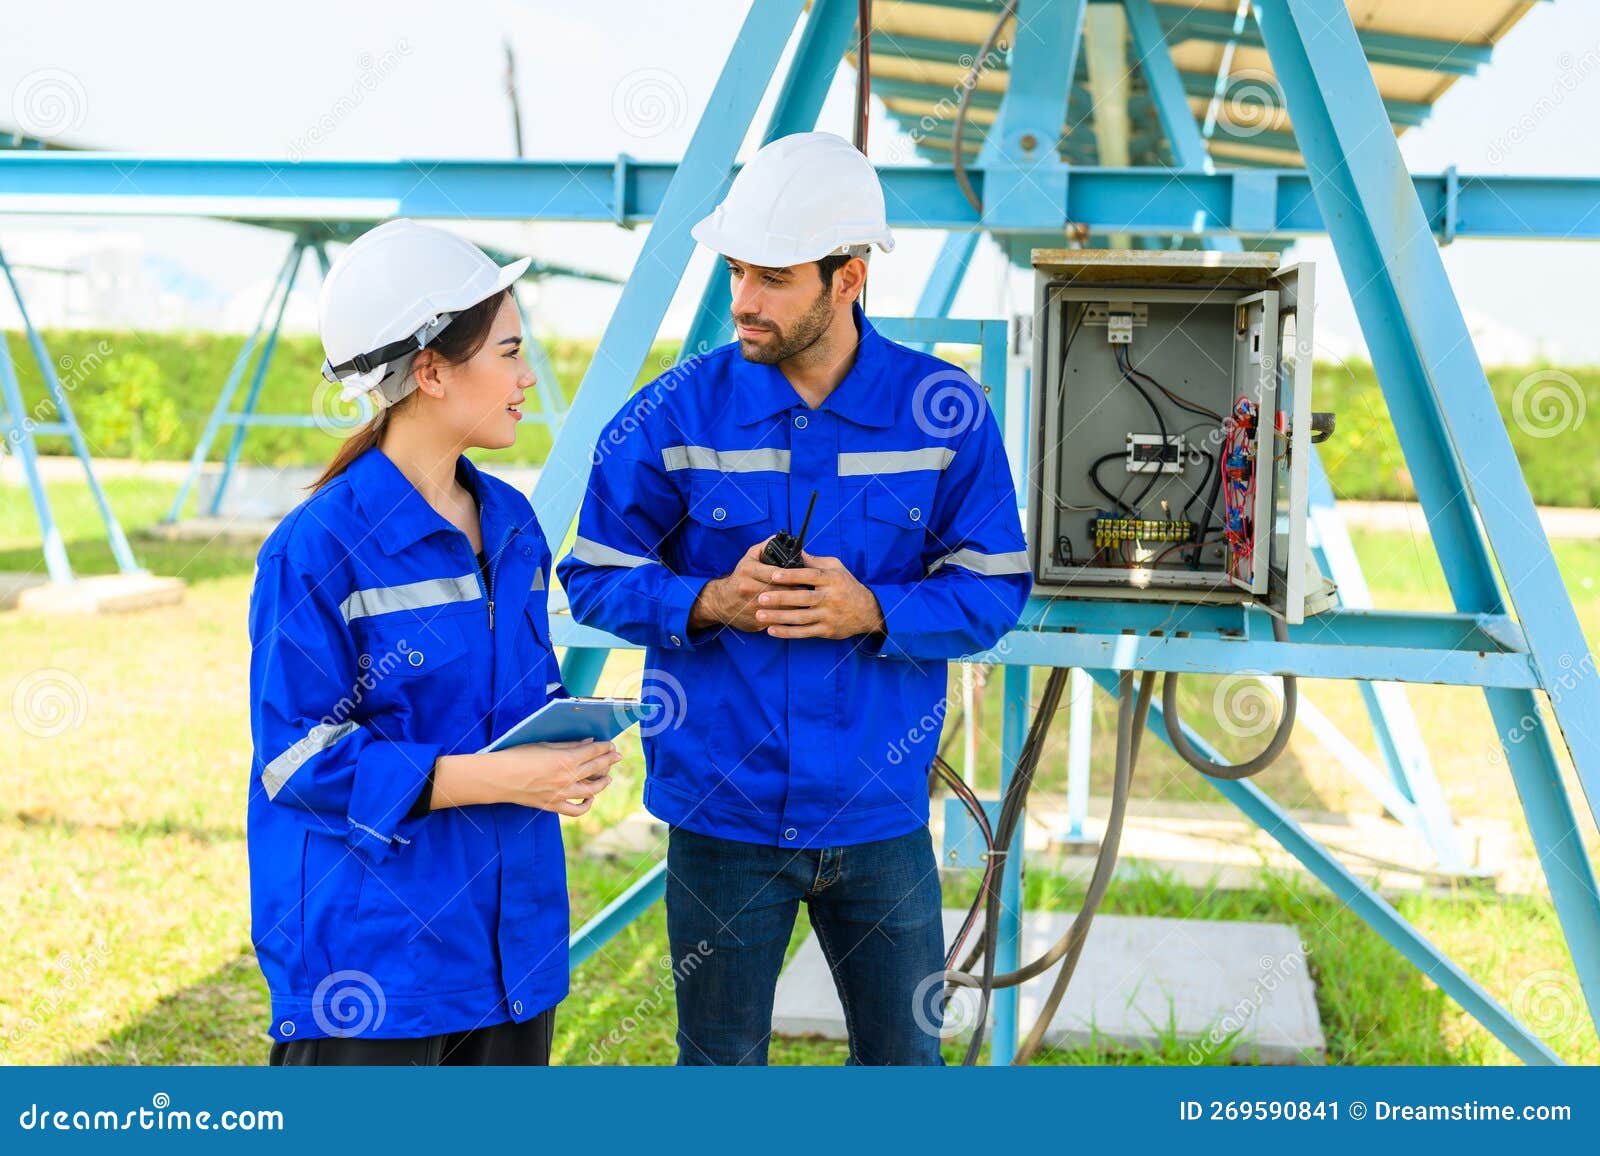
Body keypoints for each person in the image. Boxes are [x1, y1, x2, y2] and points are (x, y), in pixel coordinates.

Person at [557, 132, 1031, 1065]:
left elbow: (994, 587)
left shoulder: (945, 410)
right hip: (721, 818)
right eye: (736, 271)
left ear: (847, 279)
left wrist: (879, 612)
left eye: (772, 278)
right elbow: (592, 575)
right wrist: (708, 602)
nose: (742, 302)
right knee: (719, 1069)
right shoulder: (673, 413)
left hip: (879, 814)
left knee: (904, 1067)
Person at [247, 219, 619, 1065]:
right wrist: (494, 777)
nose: (528, 378)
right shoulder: (317, 547)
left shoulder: (514, 525)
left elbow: (526, 696)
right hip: (376, 966)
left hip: (509, 953)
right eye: (511, 353)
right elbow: (296, 761)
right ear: (430, 372)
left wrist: (568, 742)